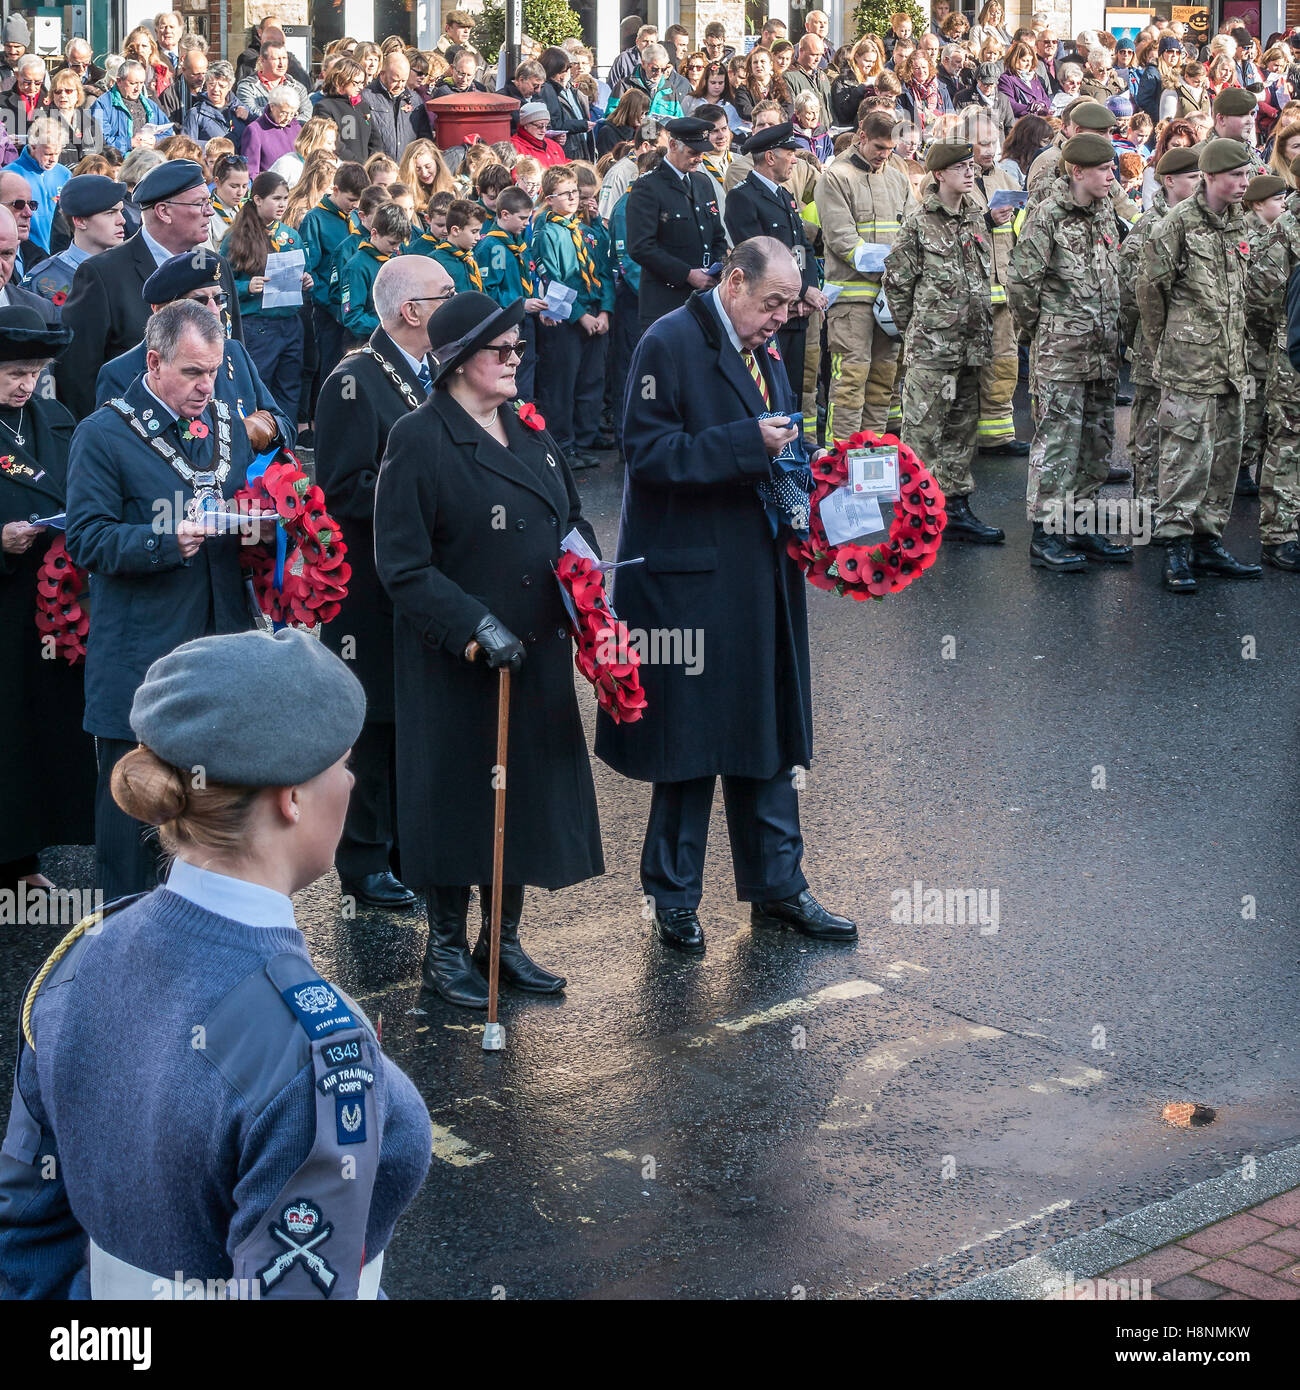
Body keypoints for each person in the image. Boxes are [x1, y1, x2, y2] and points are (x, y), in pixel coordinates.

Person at [0, 624, 432, 1299]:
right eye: (342, 762)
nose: (351, 779)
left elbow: (28, 1235)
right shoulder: (317, 1048)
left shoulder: (79, 957)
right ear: (292, 798)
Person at [596, 236, 855, 954]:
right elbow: (646, 454)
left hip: (758, 569)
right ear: (734, 282)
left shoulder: (759, 343)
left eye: (789, 306)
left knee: (767, 734)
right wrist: (748, 444)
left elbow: (776, 440)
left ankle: (779, 887)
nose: (781, 318)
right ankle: (672, 898)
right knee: (689, 746)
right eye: (772, 303)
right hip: (689, 580)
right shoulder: (668, 341)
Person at [374, 291, 603, 1007]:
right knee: (456, 799)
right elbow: (402, 564)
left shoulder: (527, 429)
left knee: (521, 797)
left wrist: (588, 579)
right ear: (455, 362)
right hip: (458, 659)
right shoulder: (419, 437)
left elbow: (571, 518)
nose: (515, 360)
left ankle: (499, 941)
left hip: (535, 647)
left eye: (517, 348)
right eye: (499, 350)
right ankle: (443, 951)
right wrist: (474, 627)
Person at [64, 301, 261, 898]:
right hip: (142, 656)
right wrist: (163, 540)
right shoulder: (102, 433)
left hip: (220, 646)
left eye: (216, 371)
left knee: (213, 818)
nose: (209, 386)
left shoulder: (225, 425)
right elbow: (86, 538)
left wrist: (271, 528)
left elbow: (243, 506)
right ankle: (122, 961)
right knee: (136, 821)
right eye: (193, 372)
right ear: (153, 363)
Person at [314, 255, 452, 911]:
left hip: (419, 577)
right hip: (369, 587)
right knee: (374, 724)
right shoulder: (355, 381)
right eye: (445, 293)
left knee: (414, 719)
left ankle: (403, 847)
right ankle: (363, 860)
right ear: (411, 311)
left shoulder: (435, 371)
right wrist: (430, 499)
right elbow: (343, 489)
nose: (456, 301)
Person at [0, 306, 95, 895]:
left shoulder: (54, 417)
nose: (24, 384)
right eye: (12, 372)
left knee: (40, 731)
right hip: (3, 601)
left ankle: (22, 858)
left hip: (48, 603)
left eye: (33, 371)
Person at [1138, 138, 1260, 592]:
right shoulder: (1177, 225)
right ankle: (1176, 547)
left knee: (1225, 455)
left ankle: (1208, 541)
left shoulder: (1239, 224)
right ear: (1209, 177)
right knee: (1183, 455)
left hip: (1231, 363)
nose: (1244, 183)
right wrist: (1165, 348)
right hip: (1188, 364)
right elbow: (1151, 293)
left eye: (1247, 175)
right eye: (1236, 176)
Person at [1010, 133, 1131, 572]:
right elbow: (1023, 283)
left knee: (1095, 444)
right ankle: (1046, 535)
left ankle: (1080, 525)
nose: (1111, 176)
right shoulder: (1048, 216)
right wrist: (1038, 333)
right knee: (1057, 445)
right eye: (1103, 170)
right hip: (1061, 353)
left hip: (1101, 352)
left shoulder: (1104, 214)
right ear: (1077, 172)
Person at [885, 138, 1005, 546]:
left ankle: (954, 508)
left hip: (970, 347)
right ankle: (914, 519)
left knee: (960, 430)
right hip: (934, 351)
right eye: (960, 168)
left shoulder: (975, 216)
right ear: (939, 175)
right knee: (922, 433)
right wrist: (921, 330)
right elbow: (897, 284)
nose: (970, 173)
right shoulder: (919, 222)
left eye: (971, 166)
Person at [56, 159, 242, 420]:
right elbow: (78, 378)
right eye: (199, 203)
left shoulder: (215, 265)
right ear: (164, 212)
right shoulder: (103, 273)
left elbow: (235, 354)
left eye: (208, 202)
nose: (209, 212)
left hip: (215, 437)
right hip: (136, 439)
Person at [93, 248, 291, 450]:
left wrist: (268, 427)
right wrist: (234, 436)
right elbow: (117, 450)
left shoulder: (234, 352)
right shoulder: (120, 373)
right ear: (159, 309)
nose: (214, 311)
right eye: (199, 302)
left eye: (219, 299)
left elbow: (284, 426)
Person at [815, 109, 917, 442]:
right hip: (850, 297)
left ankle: (870, 457)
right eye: (878, 147)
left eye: (889, 149)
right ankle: (839, 460)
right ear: (861, 136)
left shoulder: (896, 176)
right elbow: (842, 239)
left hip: (889, 297)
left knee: (882, 381)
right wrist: (894, 262)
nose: (884, 155)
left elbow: (912, 229)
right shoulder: (836, 176)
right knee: (850, 380)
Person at [1119, 146, 1202, 509]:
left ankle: (1174, 505)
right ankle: (1147, 503)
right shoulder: (1151, 225)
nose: (1200, 184)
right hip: (1154, 344)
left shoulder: (1198, 220)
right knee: (1151, 427)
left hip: (1191, 348)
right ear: (1169, 181)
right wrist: (1135, 343)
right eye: (1193, 178)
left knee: (1184, 428)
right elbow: (1128, 287)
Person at [724, 123, 824, 413]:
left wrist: (807, 289)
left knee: (793, 385)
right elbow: (757, 256)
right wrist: (800, 292)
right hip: (768, 313)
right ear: (770, 157)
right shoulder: (743, 197)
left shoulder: (785, 196)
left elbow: (800, 248)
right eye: (790, 153)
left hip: (795, 312)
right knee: (771, 388)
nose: (795, 159)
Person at [532, 164, 614, 468]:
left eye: (575, 193)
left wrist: (605, 310)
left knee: (591, 381)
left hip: (595, 313)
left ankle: (584, 437)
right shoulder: (547, 232)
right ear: (549, 198)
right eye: (565, 194)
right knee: (561, 386)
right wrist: (581, 316)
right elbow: (554, 280)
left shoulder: (585, 230)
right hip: (566, 319)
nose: (573, 199)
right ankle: (563, 446)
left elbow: (604, 268)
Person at [624, 116, 727, 328]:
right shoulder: (649, 187)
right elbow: (640, 247)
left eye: (701, 153)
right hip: (666, 302)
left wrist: (715, 270)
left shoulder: (702, 182)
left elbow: (717, 235)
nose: (699, 158)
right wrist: (687, 274)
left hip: (703, 298)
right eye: (693, 152)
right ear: (673, 145)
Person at [300, 159, 367, 381]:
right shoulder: (314, 219)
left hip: (355, 308)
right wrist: (333, 307)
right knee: (331, 367)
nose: (355, 205)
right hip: (329, 311)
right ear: (335, 190)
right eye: (350, 199)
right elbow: (310, 271)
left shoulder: (357, 217)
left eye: (359, 201)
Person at [476, 184, 545, 401]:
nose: (527, 223)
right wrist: (521, 304)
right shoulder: (492, 247)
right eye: (523, 218)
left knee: (527, 373)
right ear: (504, 214)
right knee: (513, 377)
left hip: (526, 321)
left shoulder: (519, 244)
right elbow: (488, 293)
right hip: (505, 323)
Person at [24, 174, 124, 316]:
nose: (122, 220)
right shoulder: (41, 281)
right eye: (110, 213)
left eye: (121, 211)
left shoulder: (133, 267)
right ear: (80, 221)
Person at [340, 200, 409, 342]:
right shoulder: (356, 267)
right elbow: (353, 316)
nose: (397, 248)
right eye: (392, 243)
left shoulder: (396, 259)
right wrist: (388, 327)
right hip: (369, 341)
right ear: (374, 233)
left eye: (400, 243)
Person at [88, 60, 168, 156]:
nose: (138, 88)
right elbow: (97, 142)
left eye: (141, 83)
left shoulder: (150, 105)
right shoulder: (102, 105)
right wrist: (130, 143)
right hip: (117, 165)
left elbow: (169, 133)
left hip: (149, 162)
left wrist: (155, 140)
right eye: (133, 83)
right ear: (119, 81)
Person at [364, 49, 431, 160]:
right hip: (378, 169)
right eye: (395, 80)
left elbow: (424, 137)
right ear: (382, 74)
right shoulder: (366, 97)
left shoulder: (415, 100)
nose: (400, 85)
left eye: (403, 80)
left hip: (408, 167)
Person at [314, 57, 379, 165]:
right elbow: (334, 144)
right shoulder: (324, 107)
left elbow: (375, 139)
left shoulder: (363, 106)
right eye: (356, 83)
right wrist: (358, 164)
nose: (361, 87)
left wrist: (373, 162)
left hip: (366, 169)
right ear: (341, 81)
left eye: (362, 83)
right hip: (342, 169)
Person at [234, 39, 311, 122]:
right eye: (276, 59)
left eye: (284, 58)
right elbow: (252, 115)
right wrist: (292, 113)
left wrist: (279, 117)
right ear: (262, 60)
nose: (282, 64)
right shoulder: (247, 87)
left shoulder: (297, 88)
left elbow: (306, 117)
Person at [240, 86, 301, 179]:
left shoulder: (296, 127)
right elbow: (251, 172)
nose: (288, 118)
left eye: (292, 114)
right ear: (272, 107)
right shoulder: (255, 130)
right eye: (284, 113)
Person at [181, 59, 242, 145]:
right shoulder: (195, 114)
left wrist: (248, 117)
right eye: (211, 84)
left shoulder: (240, 109)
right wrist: (213, 149)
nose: (216, 89)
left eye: (221, 86)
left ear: (230, 87)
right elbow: (187, 147)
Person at [510, 100, 566, 167]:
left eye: (547, 126)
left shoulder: (553, 146)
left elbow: (566, 164)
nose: (544, 130)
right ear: (526, 125)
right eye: (540, 126)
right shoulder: (514, 147)